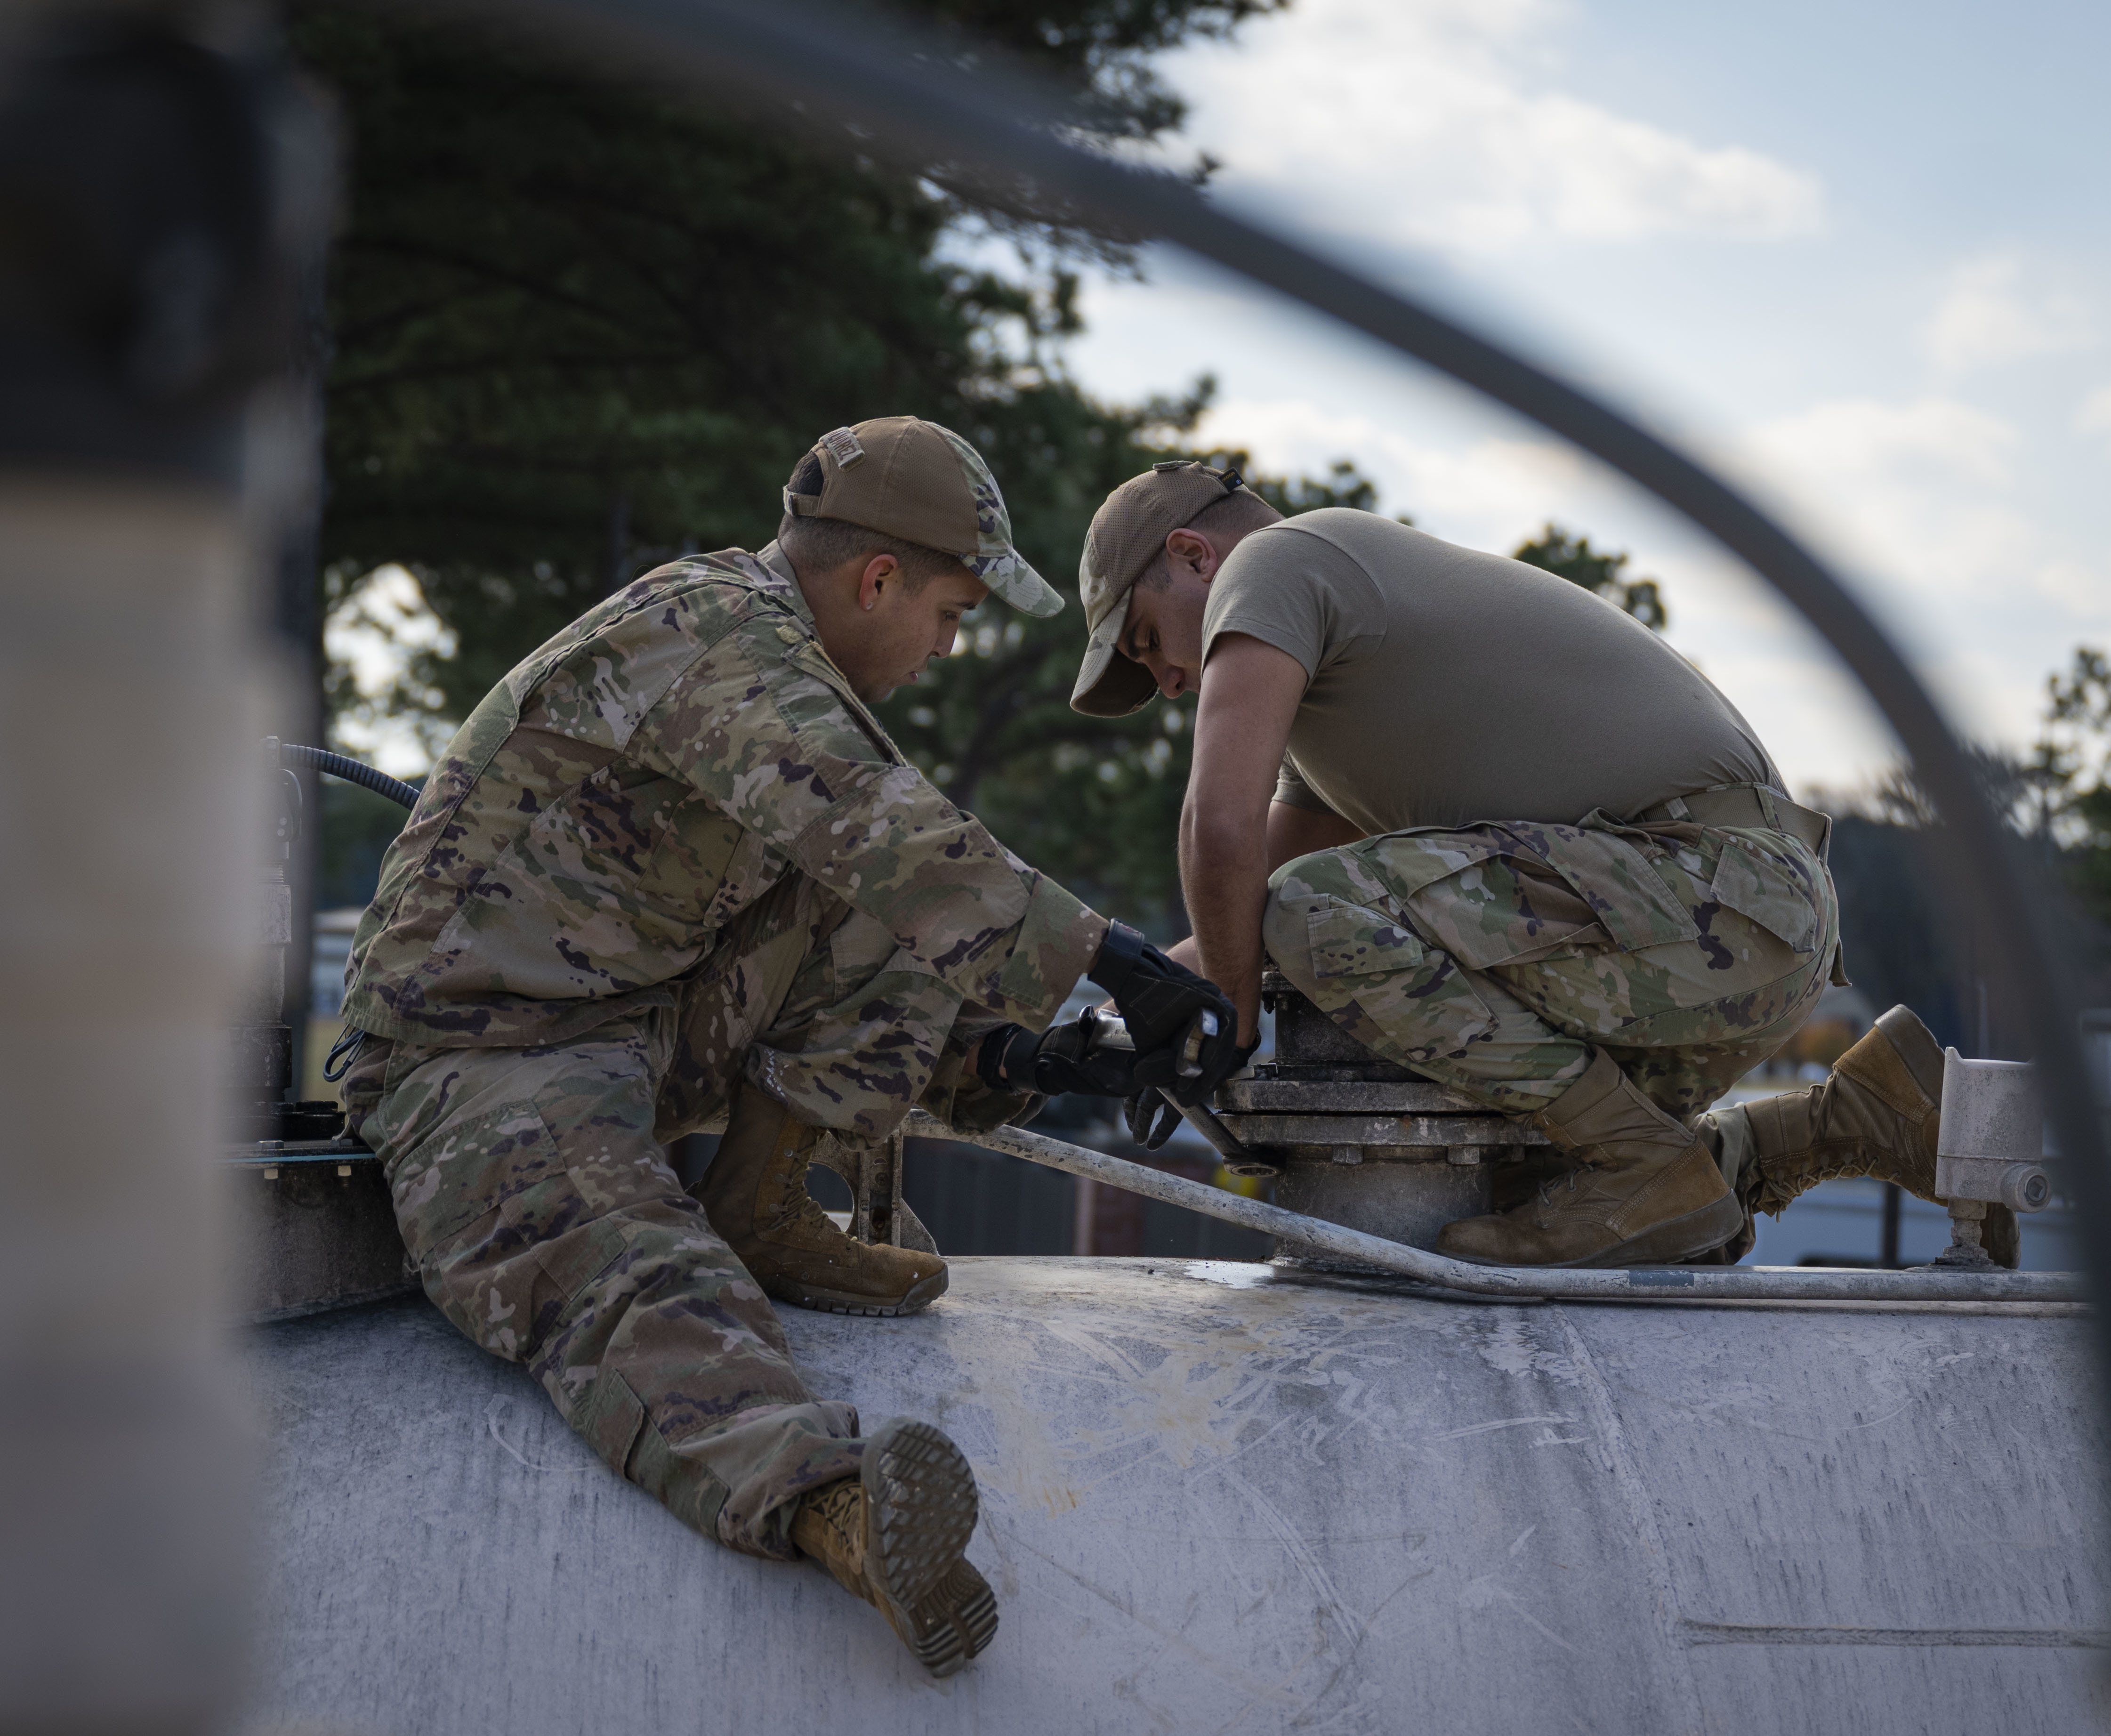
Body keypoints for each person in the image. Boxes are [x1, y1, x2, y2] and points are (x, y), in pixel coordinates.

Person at [332, 417, 1242, 1676]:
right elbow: (889, 832)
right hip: (478, 1056)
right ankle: (835, 1506)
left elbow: (881, 912)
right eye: (950, 611)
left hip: (636, 1024)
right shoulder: (712, 639)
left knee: (893, 898)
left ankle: (760, 1206)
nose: (946, 646)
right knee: (624, 1272)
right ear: (878, 581)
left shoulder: (776, 670)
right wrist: (1126, 964)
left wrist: (1036, 1059)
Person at [1067, 460, 2017, 1268]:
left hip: (1707, 890)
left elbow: (1222, 833)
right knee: (1511, 1186)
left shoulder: (1279, 561)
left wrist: (1225, 1022)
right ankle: (1851, 1117)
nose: (1166, 681)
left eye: (1147, 641)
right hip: (1723, 919)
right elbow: (1238, 928)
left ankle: (1639, 1158)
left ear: (1195, 557)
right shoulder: (1340, 714)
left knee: (1311, 909)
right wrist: (1090, 1032)